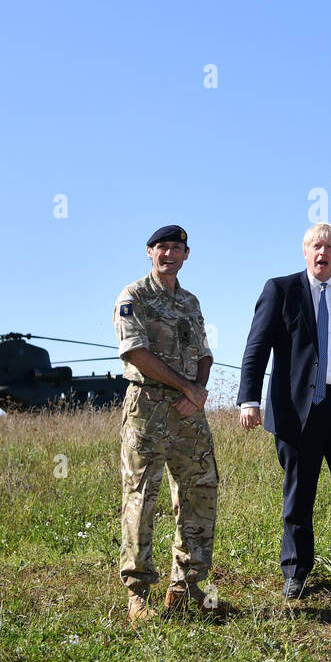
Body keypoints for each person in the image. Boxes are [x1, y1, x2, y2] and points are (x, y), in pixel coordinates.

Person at [238, 223, 331, 601]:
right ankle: (296, 572)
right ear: (305, 252)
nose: (322, 253)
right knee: (299, 494)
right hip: (298, 414)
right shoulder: (280, 289)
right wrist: (249, 399)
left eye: (329, 247)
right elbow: (256, 346)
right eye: (315, 246)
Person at [114, 225, 226, 622]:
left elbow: (205, 354)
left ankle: (188, 587)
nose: (169, 254)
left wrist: (196, 391)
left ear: (186, 255)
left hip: (187, 414)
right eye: (163, 248)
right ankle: (138, 594)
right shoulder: (134, 297)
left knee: (201, 490)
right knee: (142, 498)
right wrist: (186, 387)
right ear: (149, 252)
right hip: (147, 410)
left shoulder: (191, 302)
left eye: (177, 248)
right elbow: (136, 353)